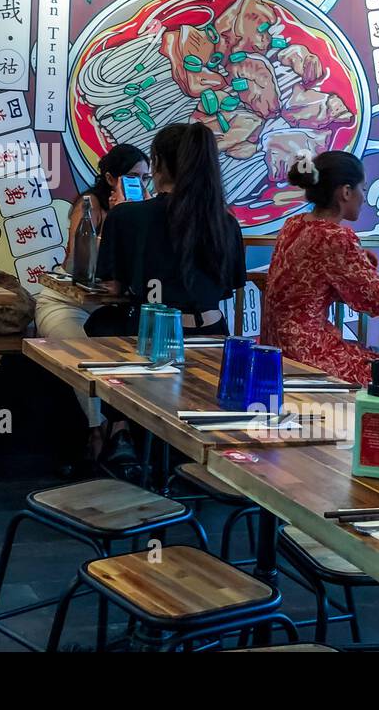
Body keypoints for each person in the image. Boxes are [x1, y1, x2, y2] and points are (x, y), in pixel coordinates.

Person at [263, 150, 379, 400]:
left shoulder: (293, 225)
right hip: (310, 354)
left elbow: (315, 283)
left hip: (278, 350)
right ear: (345, 192)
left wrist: (361, 265)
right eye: (363, 188)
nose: (364, 197)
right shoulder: (335, 236)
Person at [33, 144, 149, 462]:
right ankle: (98, 433)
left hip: (112, 310)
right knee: (80, 354)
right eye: (132, 177)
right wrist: (116, 221)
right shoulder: (89, 204)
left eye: (145, 178)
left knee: (131, 356)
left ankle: (119, 433)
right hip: (67, 303)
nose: (140, 185)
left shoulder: (145, 212)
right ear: (111, 178)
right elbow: (75, 267)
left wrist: (142, 217)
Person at [95, 122, 245, 335]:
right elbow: (228, 286)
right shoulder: (227, 224)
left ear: (157, 163)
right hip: (215, 336)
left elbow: (112, 286)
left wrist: (121, 215)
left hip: (153, 336)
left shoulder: (125, 216)